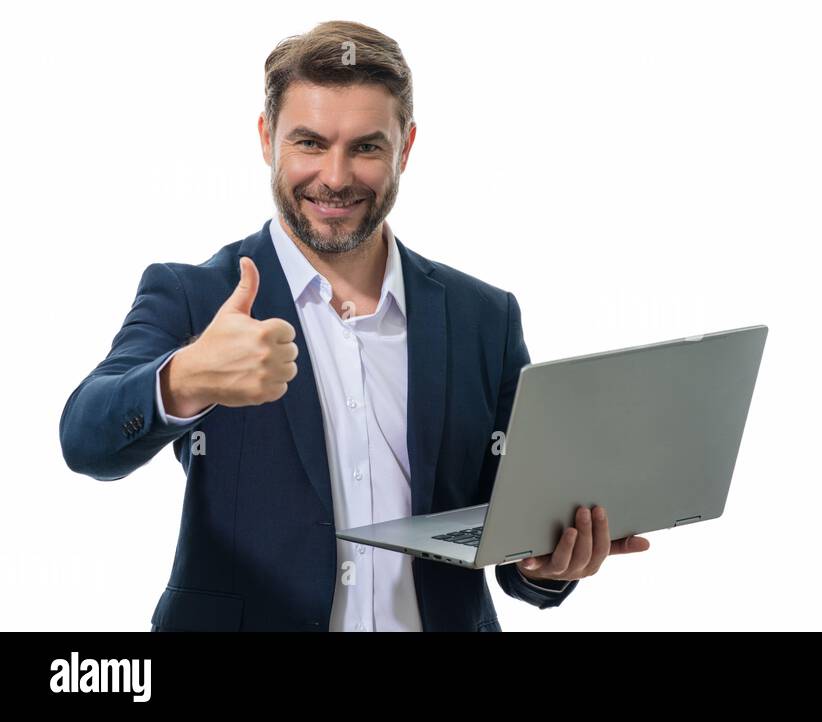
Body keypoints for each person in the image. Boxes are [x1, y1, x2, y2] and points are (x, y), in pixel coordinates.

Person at [58, 20, 649, 632]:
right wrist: (183, 378)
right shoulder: (195, 296)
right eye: (309, 143)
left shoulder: (486, 318)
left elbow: (513, 531)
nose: (336, 178)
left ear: (407, 146)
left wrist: (543, 565)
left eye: (366, 147)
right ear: (267, 138)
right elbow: (86, 440)